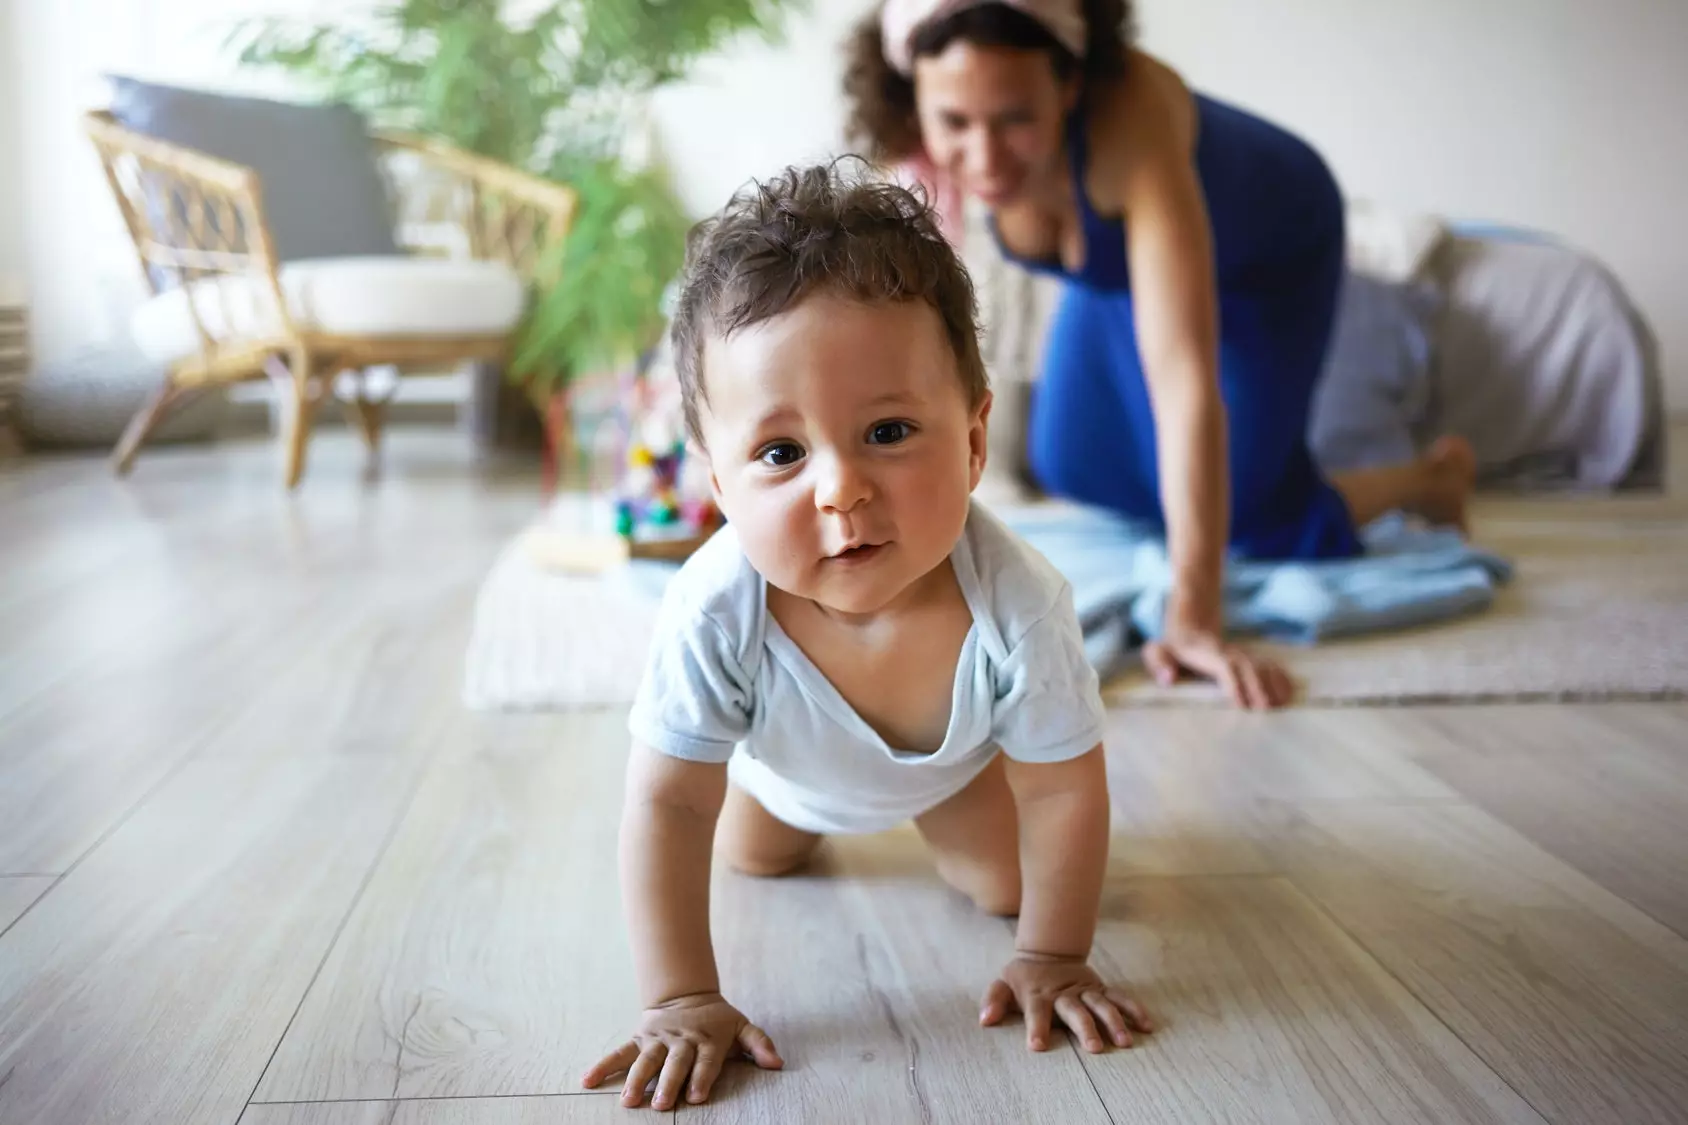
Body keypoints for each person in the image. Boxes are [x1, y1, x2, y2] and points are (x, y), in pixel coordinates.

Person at [580, 162, 1154, 1111]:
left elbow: (1061, 787)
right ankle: (786, 834)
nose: (840, 487)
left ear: (973, 442)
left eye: (889, 431)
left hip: (955, 771)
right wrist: (680, 995)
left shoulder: (1022, 602)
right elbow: (673, 804)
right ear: (719, 486)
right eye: (780, 453)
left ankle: (967, 857)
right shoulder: (714, 607)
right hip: (777, 777)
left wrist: (1054, 955)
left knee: (1014, 887)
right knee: (755, 856)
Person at [844, 0, 1478, 709]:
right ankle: (1205, 508)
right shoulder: (920, 166)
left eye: (1016, 118)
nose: (985, 157)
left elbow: (1184, 384)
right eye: (955, 122)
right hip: (1120, 263)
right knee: (1069, 458)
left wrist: (1194, 616)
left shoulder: (1132, 126)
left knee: (1248, 517)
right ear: (916, 101)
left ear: (1070, 87)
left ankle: (1432, 478)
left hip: (1268, 255)